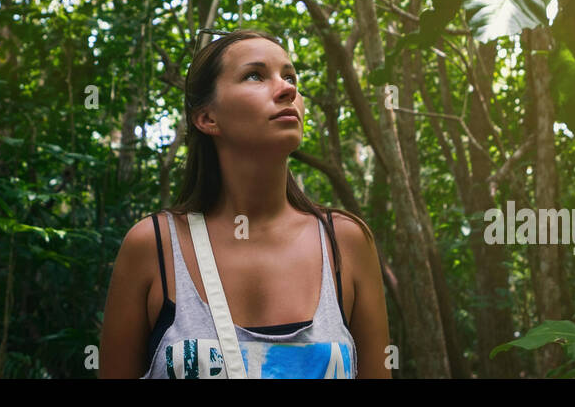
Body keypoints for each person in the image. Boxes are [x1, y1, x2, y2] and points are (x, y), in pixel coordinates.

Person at [99, 28, 391, 378]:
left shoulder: (346, 242)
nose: (288, 89)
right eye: (255, 75)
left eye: (289, 76)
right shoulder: (153, 246)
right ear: (208, 118)